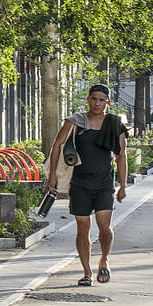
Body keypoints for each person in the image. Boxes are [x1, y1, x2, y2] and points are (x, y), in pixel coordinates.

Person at [46, 83, 129, 286]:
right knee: (83, 228)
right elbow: (57, 145)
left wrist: (123, 185)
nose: (97, 103)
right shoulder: (75, 122)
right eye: (94, 99)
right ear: (88, 100)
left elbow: (121, 155)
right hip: (80, 183)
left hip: (104, 183)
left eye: (102, 100)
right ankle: (86, 272)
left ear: (107, 103)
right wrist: (52, 176)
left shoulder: (115, 124)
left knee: (104, 227)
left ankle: (104, 259)